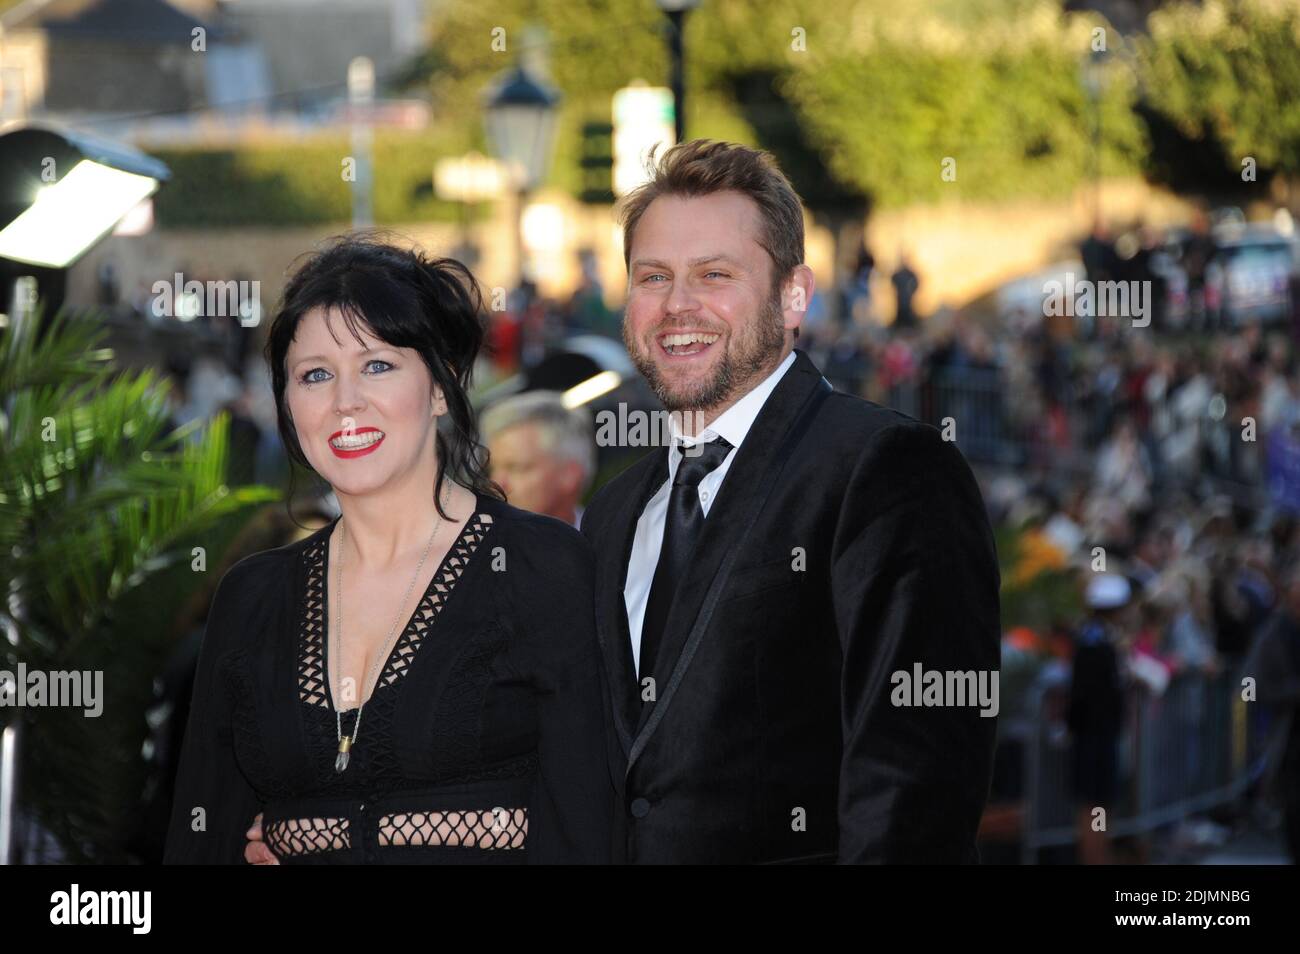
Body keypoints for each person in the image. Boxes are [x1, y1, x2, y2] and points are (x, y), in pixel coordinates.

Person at [581, 139, 1001, 863]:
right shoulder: (617, 512)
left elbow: (914, 792)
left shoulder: (887, 471)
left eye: (715, 275)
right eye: (653, 277)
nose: (678, 305)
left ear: (794, 295)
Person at [165, 235, 612, 864]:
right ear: (289, 406)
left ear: (439, 385)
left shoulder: (544, 569)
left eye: (377, 365)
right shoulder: (253, 596)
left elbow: (590, 830)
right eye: (314, 374)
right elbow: (200, 838)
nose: (345, 402)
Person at [1066, 573, 1132, 865]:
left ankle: (1100, 854)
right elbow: (1086, 695)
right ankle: (1094, 857)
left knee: (1101, 801)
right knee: (1094, 802)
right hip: (1093, 735)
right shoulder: (1094, 642)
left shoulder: (1101, 639)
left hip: (1100, 733)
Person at [480, 390, 595, 528]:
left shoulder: (616, 543)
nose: (496, 484)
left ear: (570, 475)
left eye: (516, 468)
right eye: (492, 469)